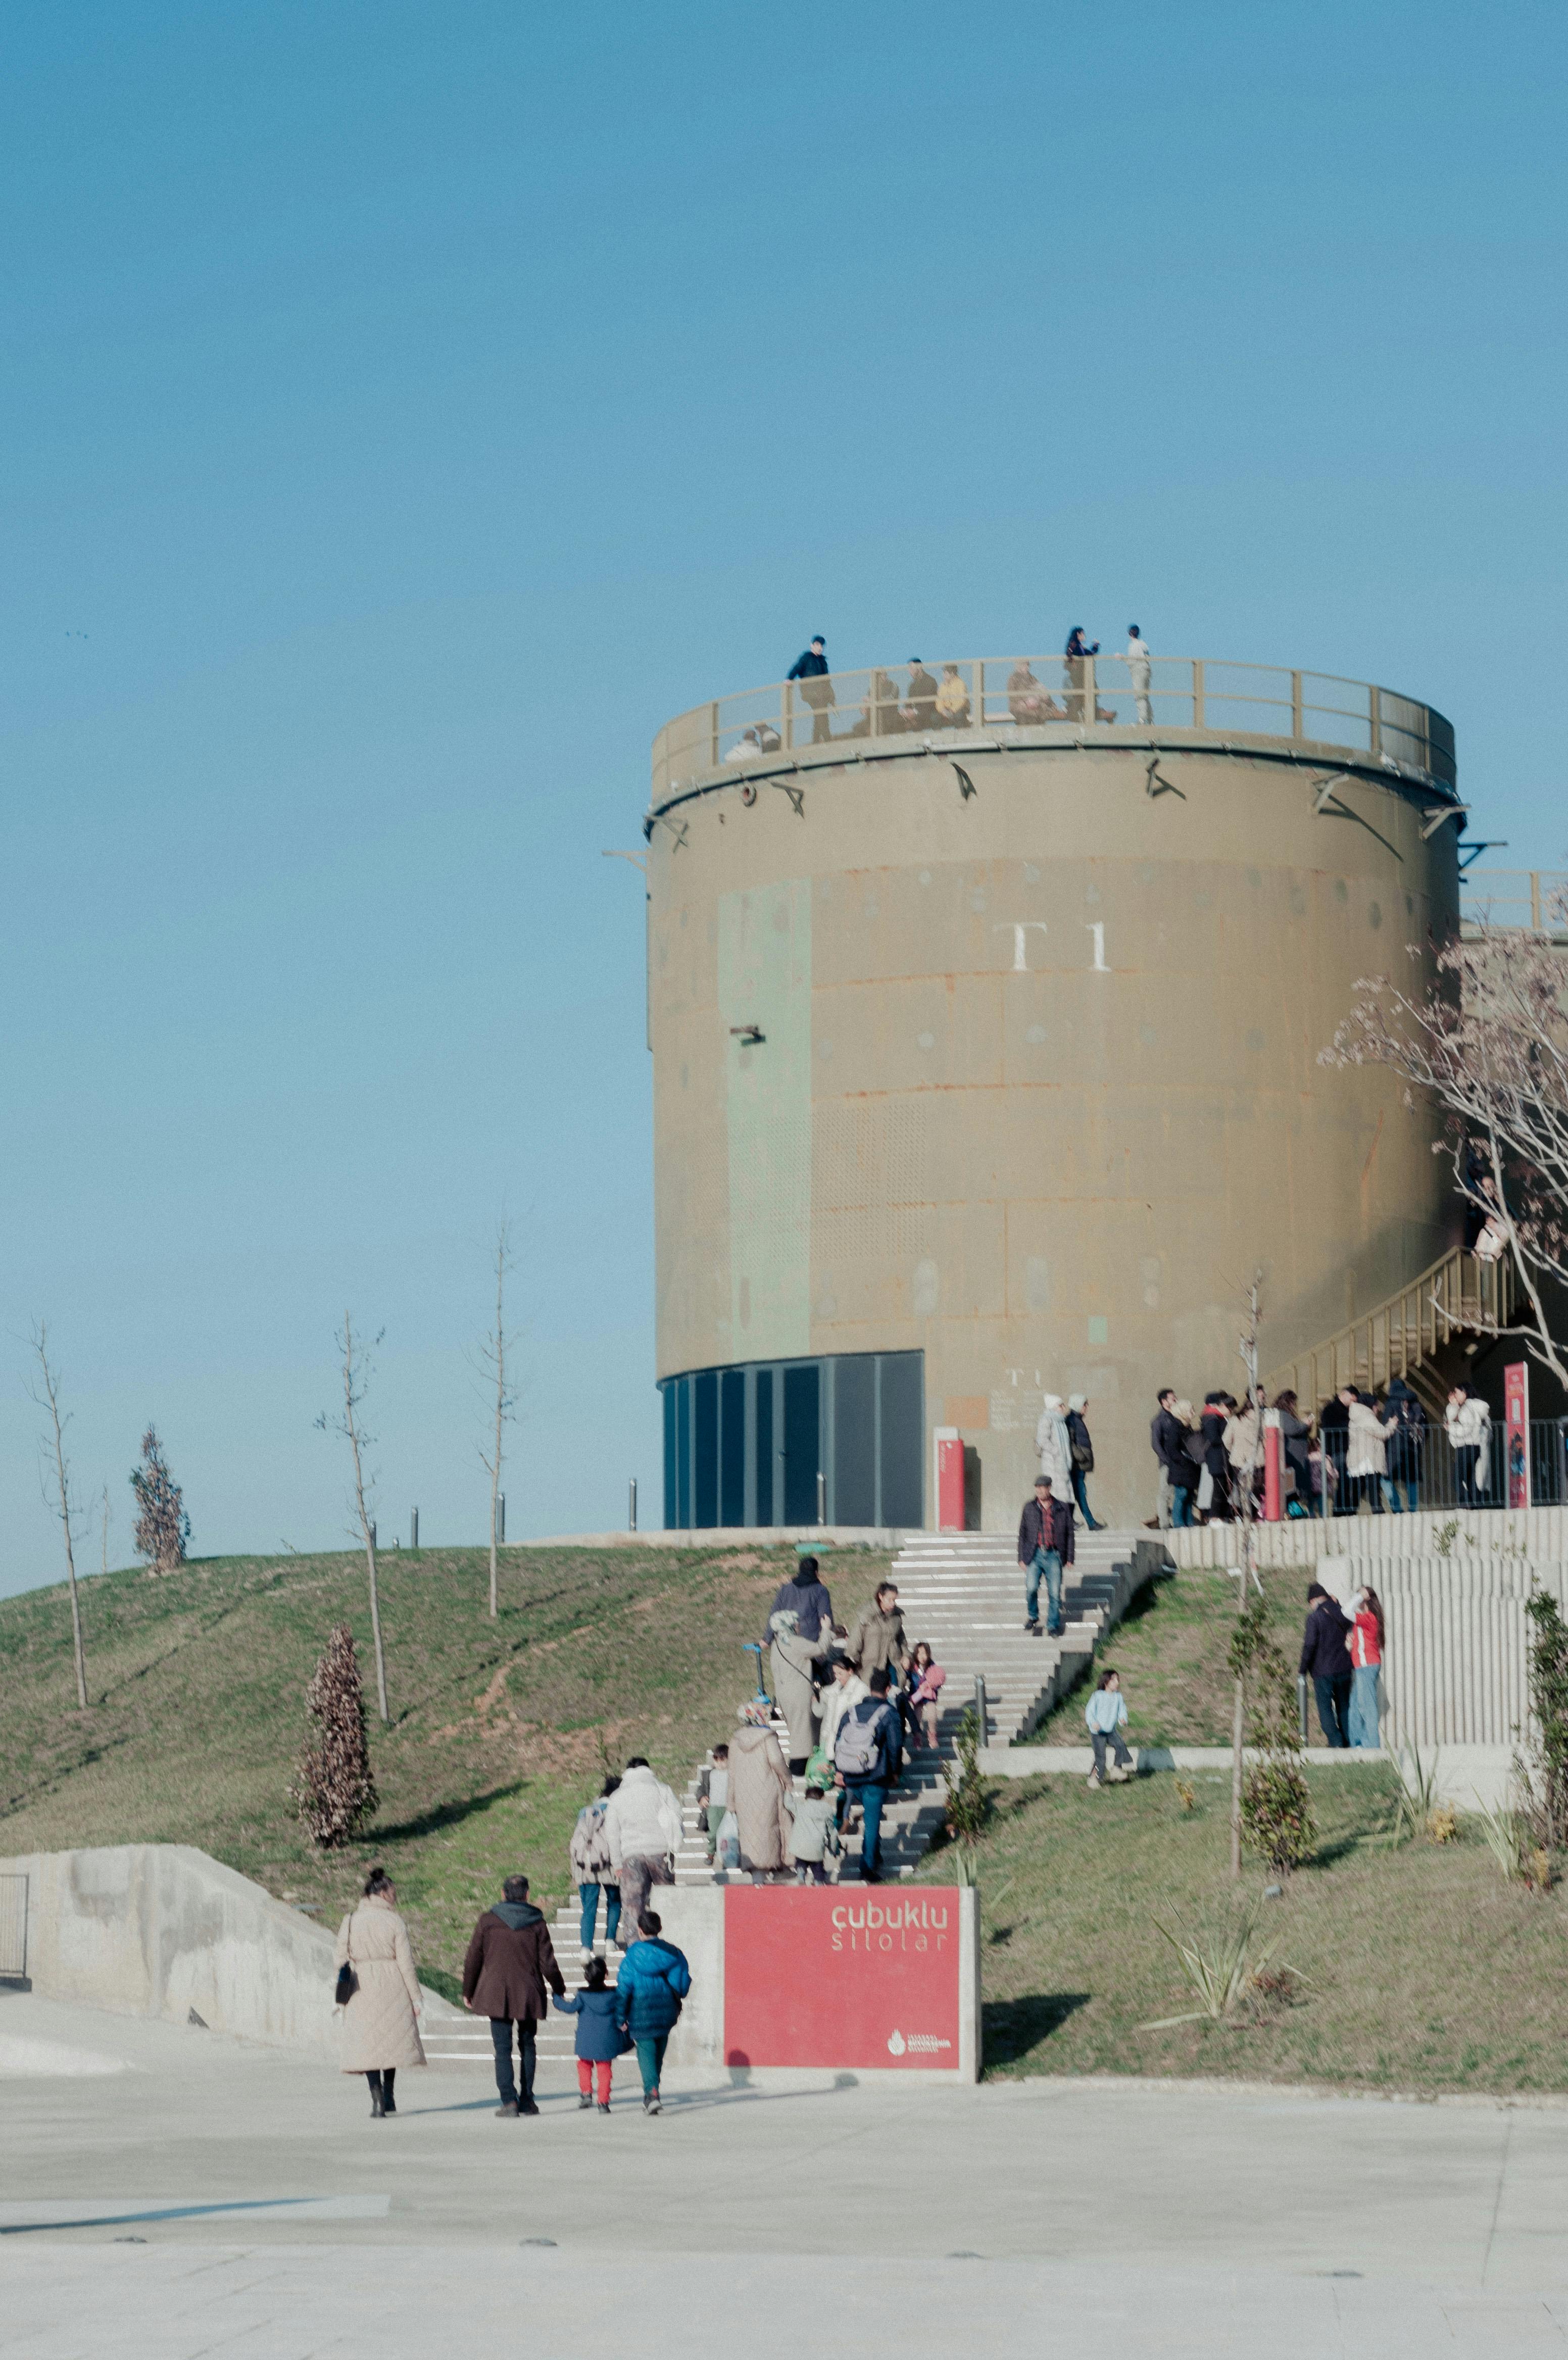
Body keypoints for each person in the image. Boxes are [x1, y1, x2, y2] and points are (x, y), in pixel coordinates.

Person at [461, 1873, 566, 2119]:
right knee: (528, 2045)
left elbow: (473, 1958)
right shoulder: (537, 1922)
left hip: (496, 1992)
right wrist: (559, 1988)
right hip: (529, 1992)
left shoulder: (488, 1921)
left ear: (503, 1894)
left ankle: (509, 2101)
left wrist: (468, 1990)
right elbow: (548, 1962)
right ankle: (528, 2100)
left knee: (502, 2048)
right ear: (528, 1895)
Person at [334, 1867, 426, 2120]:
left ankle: (376, 2100)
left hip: (360, 1985)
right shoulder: (395, 1921)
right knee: (391, 2042)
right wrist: (416, 1997)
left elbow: (340, 1959)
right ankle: (389, 2096)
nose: (395, 1897)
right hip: (392, 1983)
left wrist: (341, 1991)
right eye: (393, 1893)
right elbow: (406, 1963)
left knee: (370, 2046)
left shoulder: (350, 1920)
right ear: (384, 1894)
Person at [614, 1907, 692, 2117]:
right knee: (657, 2052)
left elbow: (623, 1988)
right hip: (667, 2011)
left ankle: (652, 2093)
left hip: (640, 2010)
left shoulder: (632, 1957)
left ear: (640, 1931)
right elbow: (682, 1985)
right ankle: (651, 2093)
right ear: (660, 1928)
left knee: (646, 2052)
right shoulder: (674, 1954)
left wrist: (620, 2016)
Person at [603, 1755, 683, 1944]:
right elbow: (677, 1817)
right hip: (660, 1852)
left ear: (627, 1773)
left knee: (632, 1906)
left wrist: (616, 1863)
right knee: (667, 1900)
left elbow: (612, 1833)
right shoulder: (662, 1789)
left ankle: (634, 1949)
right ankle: (670, 1942)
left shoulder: (617, 1797)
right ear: (648, 1770)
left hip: (631, 1856)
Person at [834, 1665, 900, 1882]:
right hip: (875, 1777)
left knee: (872, 1820)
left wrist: (839, 1770)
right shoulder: (889, 1714)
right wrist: (895, 1772)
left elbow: (838, 1742)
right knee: (872, 1822)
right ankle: (867, 1867)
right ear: (888, 1688)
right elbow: (895, 1746)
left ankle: (875, 1854)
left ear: (871, 1688)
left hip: (852, 1777)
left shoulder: (851, 1712)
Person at [553, 1953, 625, 2113]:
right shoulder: (614, 1995)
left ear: (586, 1977)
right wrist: (622, 2023)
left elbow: (570, 2008)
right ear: (606, 1975)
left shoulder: (583, 1996)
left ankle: (586, 2094)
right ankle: (603, 2102)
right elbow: (621, 2012)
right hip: (607, 2039)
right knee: (605, 2069)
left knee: (584, 2065)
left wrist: (556, 1999)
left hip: (585, 2039)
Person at [728, 1700, 794, 1878]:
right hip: (767, 1791)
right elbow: (777, 1761)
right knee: (770, 1829)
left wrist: (730, 1802)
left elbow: (732, 1773)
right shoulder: (768, 1737)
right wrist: (788, 1781)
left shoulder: (736, 1740)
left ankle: (757, 1876)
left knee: (750, 1834)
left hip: (743, 1795)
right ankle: (775, 1868)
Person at [769, 1606, 830, 1776]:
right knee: (803, 1730)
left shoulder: (776, 1645)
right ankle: (799, 1766)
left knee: (797, 1729)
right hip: (800, 1693)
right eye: (795, 1623)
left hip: (784, 1694)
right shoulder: (794, 1642)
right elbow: (820, 1648)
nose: (798, 1626)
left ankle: (802, 1762)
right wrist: (826, 1630)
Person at [568, 1775, 622, 1958]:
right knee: (615, 1902)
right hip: (609, 1864)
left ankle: (585, 1948)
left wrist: (575, 1871)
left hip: (587, 1865)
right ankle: (609, 1941)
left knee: (589, 1907)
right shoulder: (617, 1809)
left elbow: (579, 1840)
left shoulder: (586, 1810)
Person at [1017, 1472, 1074, 1637]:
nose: (1039, 1491)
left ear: (1049, 1488)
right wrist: (1021, 1557)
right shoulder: (1029, 1508)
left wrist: (1070, 1557)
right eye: (1037, 1488)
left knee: (1055, 1593)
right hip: (1034, 1555)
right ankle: (1033, 1616)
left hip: (1054, 1555)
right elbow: (1023, 1533)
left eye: (1042, 1488)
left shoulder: (1062, 1508)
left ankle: (1053, 1625)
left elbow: (1070, 1534)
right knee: (1031, 1588)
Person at [1299, 1581, 1353, 1748]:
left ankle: (1336, 1741)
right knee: (1344, 1707)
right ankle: (1347, 1740)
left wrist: (1303, 1669)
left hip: (1323, 1671)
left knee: (1325, 1708)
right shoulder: (1343, 1613)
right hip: (1345, 1668)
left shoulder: (1314, 1618)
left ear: (1313, 1600)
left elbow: (1309, 1645)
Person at [1344, 1386, 1397, 1515]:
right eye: (1376, 1406)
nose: (1377, 1409)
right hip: (1368, 1458)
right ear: (1370, 1405)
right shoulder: (1366, 1416)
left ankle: (1350, 1514)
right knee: (1373, 1487)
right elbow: (1382, 1433)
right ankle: (1378, 1512)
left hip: (1359, 1458)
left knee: (1359, 1488)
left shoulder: (1356, 1415)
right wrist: (1392, 1425)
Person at [1151, 1389, 1195, 1528]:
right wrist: (1168, 1461)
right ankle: (1164, 1523)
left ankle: (1184, 1521)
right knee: (1165, 1492)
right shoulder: (1159, 1421)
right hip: (1168, 1463)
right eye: (1172, 1398)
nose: (1175, 1400)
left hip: (1179, 1463)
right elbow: (1156, 1444)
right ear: (1164, 1402)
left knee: (1182, 1493)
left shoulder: (1177, 1418)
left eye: (1175, 1397)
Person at [766, 1553, 835, 1644]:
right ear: (816, 1573)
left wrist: (767, 1639)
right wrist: (832, 1638)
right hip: (810, 1643)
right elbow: (826, 1618)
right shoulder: (821, 1591)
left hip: (786, 1640)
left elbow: (774, 1614)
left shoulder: (785, 1589)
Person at [1347, 1587, 1385, 1749]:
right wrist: (1350, 1645)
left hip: (1367, 1666)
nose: (1357, 1598)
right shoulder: (1364, 1619)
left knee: (1366, 1706)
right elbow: (1361, 1645)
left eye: (1360, 1595)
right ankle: (1358, 1744)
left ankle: (1372, 1746)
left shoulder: (1369, 1618)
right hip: (1361, 1666)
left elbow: (1346, 1611)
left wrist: (1360, 1596)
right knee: (1355, 1707)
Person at [1084, 1668, 1133, 1789]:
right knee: (1101, 1758)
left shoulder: (1118, 1697)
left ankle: (1116, 1769)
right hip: (1098, 1733)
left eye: (1118, 1679)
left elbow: (1122, 1710)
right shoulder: (1098, 1696)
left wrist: (1123, 1719)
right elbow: (1089, 1711)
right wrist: (1093, 1722)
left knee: (1121, 1745)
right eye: (1113, 1680)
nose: (1117, 1682)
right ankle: (1094, 1778)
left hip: (1111, 1731)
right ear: (1106, 1682)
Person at [1383, 1376, 1425, 1512]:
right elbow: (1426, 1427)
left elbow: (1386, 1423)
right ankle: (1413, 1510)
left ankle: (1397, 1508)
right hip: (1413, 1449)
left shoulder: (1391, 1403)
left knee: (1385, 1479)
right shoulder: (1416, 1404)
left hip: (1394, 1449)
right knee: (1411, 1480)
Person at [818, 1649, 868, 1762]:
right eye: (835, 1674)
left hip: (848, 1741)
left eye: (840, 1673)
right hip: (831, 1741)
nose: (837, 1677)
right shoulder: (835, 1689)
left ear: (850, 1671)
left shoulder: (860, 1690)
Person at [1446, 1383, 1491, 1506]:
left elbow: (1466, 1429)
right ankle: (1477, 1507)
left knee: (1456, 1480)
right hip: (1473, 1448)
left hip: (1467, 1447)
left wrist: (1451, 1428)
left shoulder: (1467, 1408)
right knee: (1470, 1480)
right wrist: (1454, 1406)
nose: (1455, 1395)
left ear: (1464, 1393)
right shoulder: (1467, 1407)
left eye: (1457, 1392)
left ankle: (1466, 1504)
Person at [1273, 1391, 1315, 1516]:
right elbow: (1293, 1430)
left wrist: (1305, 1426)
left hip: (1296, 1457)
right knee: (1293, 1488)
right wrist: (1304, 1424)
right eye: (1293, 1403)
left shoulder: (1286, 1416)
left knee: (1295, 1487)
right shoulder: (1283, 1415)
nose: (1294, 1406)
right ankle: (1294, 1513)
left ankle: (1298, 1512)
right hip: (1292, 1459)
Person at [788, 1782, 840, 1883]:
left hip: (800, 1844)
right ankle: (818, 1882)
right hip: (817, 1846)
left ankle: (801, 1871)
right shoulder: (827, 1810)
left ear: (806, 1797)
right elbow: (833, 1833)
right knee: (818, 1867)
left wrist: (787, 1790)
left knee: (800, 1861)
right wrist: (832, 1849)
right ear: (822, 1797)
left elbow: (788, 1803)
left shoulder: (801, 1807)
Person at [787, 636, 834, 743]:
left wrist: (832, 697)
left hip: (823, 694)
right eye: (817, 645)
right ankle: (828, 739)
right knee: (822, 716)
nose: (820, 648)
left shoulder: (823, 662)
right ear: (812, 646)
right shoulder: (806, 658)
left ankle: (816, 740)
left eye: (821, 646)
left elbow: (827, 681)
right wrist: (789, 679)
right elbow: (797, 667)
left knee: (820, 716)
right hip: (811, 693)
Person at [1066, 1394, 1102, 1530]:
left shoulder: (1077, 1420)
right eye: (1084, 1405)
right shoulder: (1072, 1420)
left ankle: (1080, 1522)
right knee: (1079, 1493)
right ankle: (1090, 1523)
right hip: (1077, 1465)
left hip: (1080, 1465)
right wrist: (1081, 1456)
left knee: (1078, 1493)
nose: (1087, 1408)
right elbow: (1070, 1443)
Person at [905, 1641, 946, 1752]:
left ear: (929, 1654)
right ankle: (917, 1737)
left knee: (932, 1716)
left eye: (925, 1653)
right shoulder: (913, 1668)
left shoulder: (932, 1666)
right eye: (919, 1653)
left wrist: (933, 1686)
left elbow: (938, 1680)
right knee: (917, 1718)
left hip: (929, 1696)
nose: (922, 1656)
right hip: (918, 1696)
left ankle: (932, 1735)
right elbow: (906, 1676)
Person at [1197, 1395, 1233, 1521]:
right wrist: (1228, 1441)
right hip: (1216, 1459)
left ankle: (1222, 1516)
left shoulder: (1217, 1417)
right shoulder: (1212, 1419)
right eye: (1228, 1407)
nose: (1230, 1410)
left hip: (1221, 1458)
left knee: (1223, 1489)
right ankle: (1214, 1517)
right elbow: (1213, 1438)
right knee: (1219, 1488)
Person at [1036, 1393, 1074, 1502]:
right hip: (1053, 1464)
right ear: (1053, 1406)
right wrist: (1057, 1452)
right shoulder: (1046, 1419)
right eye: (1060, 1405)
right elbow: (1042, 1440)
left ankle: (1064, 1518)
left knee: (1065, 1497)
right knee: (1056, 1496)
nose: (1064, 1408)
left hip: (1063, 1465)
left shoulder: (1061, 1421)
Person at [695, 1744, 729, 1863]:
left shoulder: (733, 1774)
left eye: (723, 1760)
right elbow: (700, 1789)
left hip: (729, 1808)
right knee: (713, 1833)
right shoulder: (709, 1774)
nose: (719, 1764)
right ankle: (710, 1853)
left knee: (729, 1833)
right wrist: (701, 1798)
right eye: (716, 1760)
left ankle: (728, 1855)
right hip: (713, 1808)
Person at [1318, 1390, 1351, 1512]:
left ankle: (1343, 1509)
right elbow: (1329, 1427)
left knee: (1344, 1483)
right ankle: (1339, 1510)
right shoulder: (1331, 1410)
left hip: (1340, 1450)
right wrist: (1349, 1424)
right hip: (1337, 1451)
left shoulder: (1336, 1410)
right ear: (1342, 1395)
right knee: (1342, 1482)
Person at [1063, 625, 1099, 721]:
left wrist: (1096, 646)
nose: (1084, 636)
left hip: (1082, 675)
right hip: (1078, 676)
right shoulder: (1074, 644)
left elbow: (1090, 654)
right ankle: (1077, 712)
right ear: (1078, 634)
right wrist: (1073, 663)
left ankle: (1082, 712)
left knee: (1085, 694)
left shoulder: (1080, 646)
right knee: (1080, 694)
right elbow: (1069, 653)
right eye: (1083, 634)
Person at [1125, 625, 1153, 724]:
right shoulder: (1143, 644)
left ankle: (1142, 719)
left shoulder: (1133, 646)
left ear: (1130, 634)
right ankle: (1150, 719)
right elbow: (1148, 657)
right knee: (1145, 696)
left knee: (1139, 695)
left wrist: (1122, 658)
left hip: (1138, 672)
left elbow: (1132, 661)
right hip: (1147, 670)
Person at [902, 659, 939, 732]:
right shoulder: (912, 685)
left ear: (919, 667)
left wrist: (915, 712)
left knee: (916, 720)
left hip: (928, 712)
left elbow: (929, 704)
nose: (910, 671)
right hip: (916, 713)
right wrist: (906, 711)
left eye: (911, 668)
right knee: (899, 719)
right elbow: (909, 702)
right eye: (909, 669)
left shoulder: (930, 681)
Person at [935, 663, 971, 727]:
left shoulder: (960, 683)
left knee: (959, 716)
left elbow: (962, 701)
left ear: (953, 674)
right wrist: (943, 711)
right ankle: (938, 737)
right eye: (944, 673)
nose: (944, 676)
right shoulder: (942, 686)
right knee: (935, 717)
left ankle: (961, 734)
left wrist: (952, 710)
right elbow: (939, 701)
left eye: (946, 673)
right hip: (946, 710)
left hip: (960, 709)